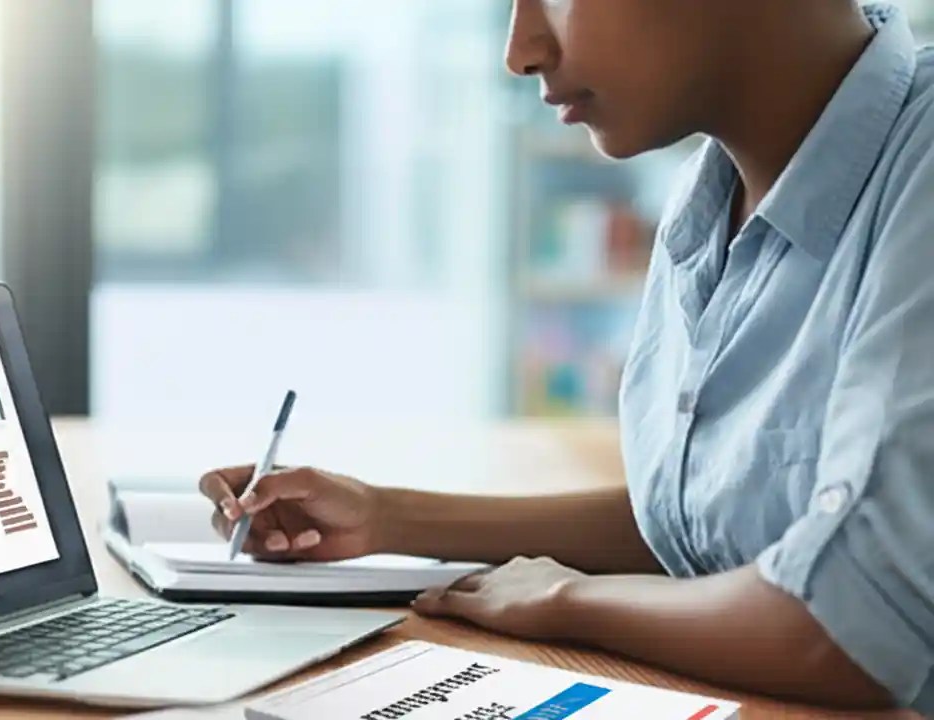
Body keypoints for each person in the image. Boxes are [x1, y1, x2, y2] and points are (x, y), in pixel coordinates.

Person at [199, 0, 934, 713]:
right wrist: (384, 519)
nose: (520, 51)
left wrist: (567, 603)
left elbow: (848, 625)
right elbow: (712, 523)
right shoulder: (705, 203)